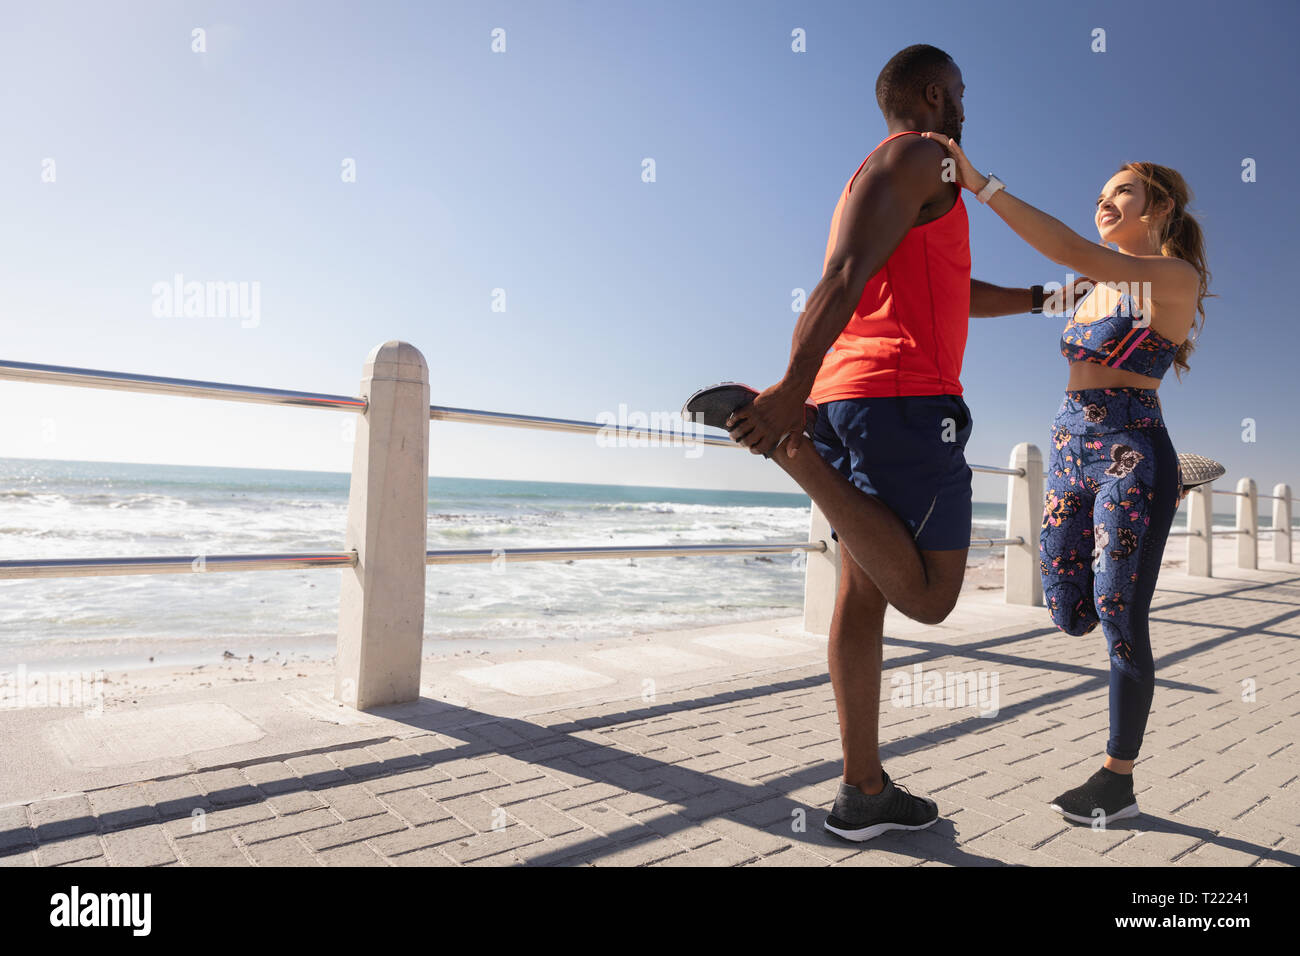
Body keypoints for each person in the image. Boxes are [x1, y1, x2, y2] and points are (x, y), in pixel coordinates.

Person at [683, 45, 1046, 842]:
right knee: (931, 597)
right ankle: (793, 453)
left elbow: (945, 290)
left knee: (862, 596)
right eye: (958, 92)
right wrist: (785, 396)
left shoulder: (897, 176)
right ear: (929, 93)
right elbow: (843, 276)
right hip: (900, 404)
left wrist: (1043, 299)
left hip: (860, 401)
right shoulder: (922, 157)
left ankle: (862, 792)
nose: (965, 107)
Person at [922, 132, 1210, 825]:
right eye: (1102, 194)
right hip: (1069, 449)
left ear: (1159, 206)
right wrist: (914, 280)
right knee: (1069, 611)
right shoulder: (1090, 286)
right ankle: (1174, 493)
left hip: (1130, 450)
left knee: (1118, 613)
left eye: (1122, 192)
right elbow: (1008, 296)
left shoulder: (1172, 277)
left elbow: (1070, 250)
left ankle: (1119, 780)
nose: (1104, 202)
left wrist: (980, 184)